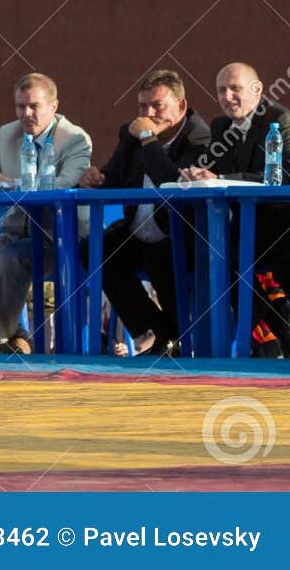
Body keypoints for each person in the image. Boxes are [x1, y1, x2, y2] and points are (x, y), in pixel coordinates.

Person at [0, 72, 93, 354]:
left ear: (53, 106)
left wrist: (8, 184)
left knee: (10, 256)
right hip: (16, 235)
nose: (26, 114)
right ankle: (13, 340)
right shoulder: (9, 134)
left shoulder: (75, 139)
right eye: (20, 107)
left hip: (61, 242)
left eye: (34, 106)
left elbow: (63, 186)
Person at [80, 69, 211, 357]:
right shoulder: (132, 133)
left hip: (182, 236)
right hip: (138, 233)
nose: (149, 113)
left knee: (162, 254)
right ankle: (160, 332)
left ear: (181, 106)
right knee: (94, 248)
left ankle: (175, 339)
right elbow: (112, 177)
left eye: (157, 106)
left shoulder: (200, 137)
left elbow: (171, 182)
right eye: (142, 106)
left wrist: (148, 139)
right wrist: (93, 178)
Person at [181, 62, 290, 355]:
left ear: (257, 91)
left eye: (235, 89)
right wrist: (195, 174)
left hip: (280, 228)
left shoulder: (280, 121)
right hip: (242, 228)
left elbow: (282, 175)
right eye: (221, 90)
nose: (228, 97)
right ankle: (270, 337)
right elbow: (212, 169)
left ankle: (275, 335)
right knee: (207, 252)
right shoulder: (220, 126)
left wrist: (221, 178)